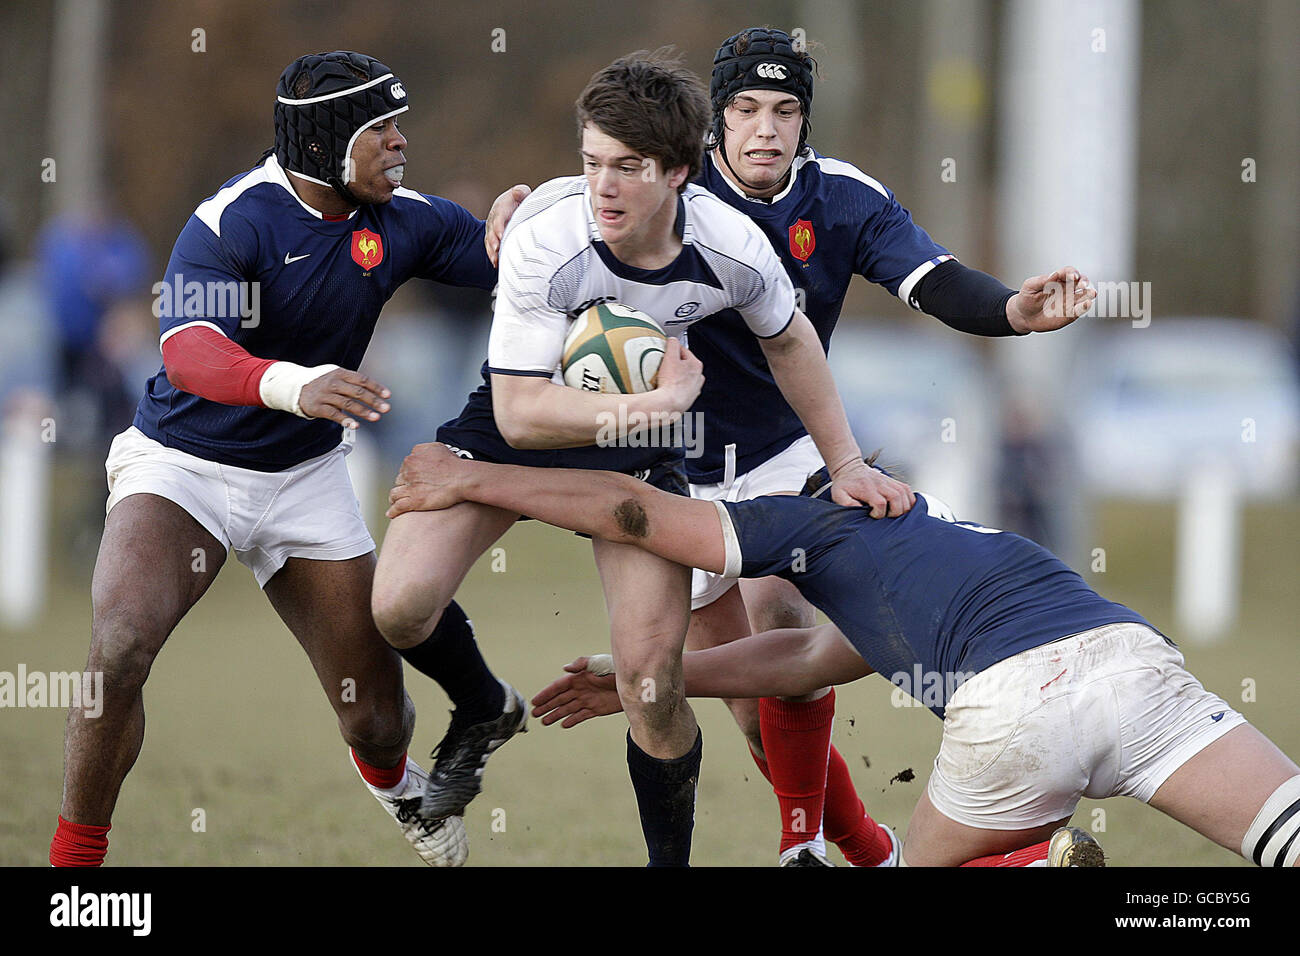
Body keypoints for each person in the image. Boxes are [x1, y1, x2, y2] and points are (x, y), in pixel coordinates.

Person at [483, 27, 1095, 866]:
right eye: (745, 110)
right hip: (669, 468)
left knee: (786, 630)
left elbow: (934, 278)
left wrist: (1010, 312)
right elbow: (579, 196)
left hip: (782, 455)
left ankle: (800, 845)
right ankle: (870, 848)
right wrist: (508, 209)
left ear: (807, 122)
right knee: (745, 706)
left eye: (785, 111)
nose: (765, 129)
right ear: (714, 125)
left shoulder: (841, 198)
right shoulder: (665, 185)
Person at [371, 49, 911, 867]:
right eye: (591, 162)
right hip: (526, 417)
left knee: (652, 684)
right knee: (400, 608)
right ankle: (484, 706)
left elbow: (793, 341)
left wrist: (843, 464)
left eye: (628, 167)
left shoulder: (733, 246)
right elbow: (520, 416)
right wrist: (649, 406)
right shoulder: (546, 237)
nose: (603, 187)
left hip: (639, 452)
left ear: (680, 173)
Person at [387, 442, 1300, 868]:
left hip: (1018, 709)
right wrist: (640, 682)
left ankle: (1029, 867)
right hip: (1135, 665)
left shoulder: (814, 518)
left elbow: (634, 512)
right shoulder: (950, 542)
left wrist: (471, 477)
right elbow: (802, 661)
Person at [49, 51, 520, 868]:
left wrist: (537, 217)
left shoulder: (403, 217)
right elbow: (189, 349)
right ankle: (74, 869)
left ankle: (397, 787)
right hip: (181, 467)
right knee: (120, 644)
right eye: (383, 130)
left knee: (377, 719)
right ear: (330, 142)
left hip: (303, 481)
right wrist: (292, 385)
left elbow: (516, 263)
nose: (402, 144)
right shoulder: (233, 220)